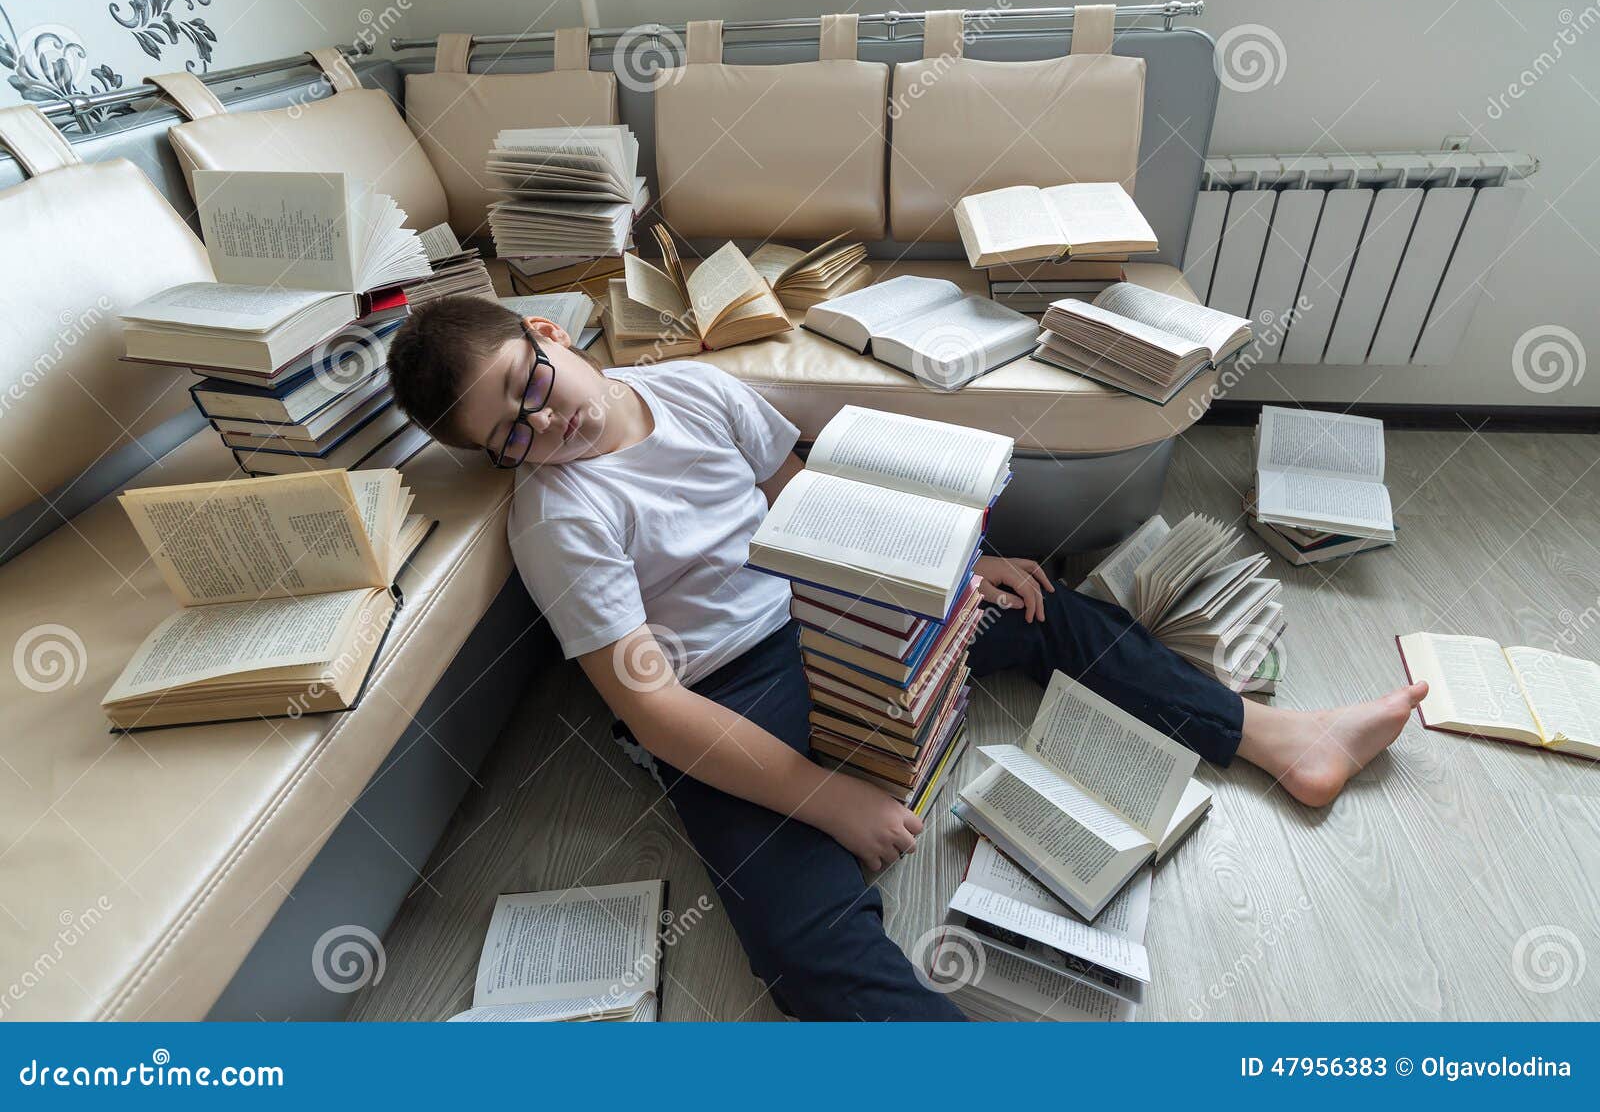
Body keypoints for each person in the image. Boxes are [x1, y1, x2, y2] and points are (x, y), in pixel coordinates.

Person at [386, 296, 1427, 1021]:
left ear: (549, 335)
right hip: (728, 701)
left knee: (1041, 605)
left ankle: (1280, 735)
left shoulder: (693, 391)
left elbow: (810, 496)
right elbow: (654, 713)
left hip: (835, 613)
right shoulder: (557, 516)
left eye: (531, 384)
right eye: (510, 434)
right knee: (803, 945)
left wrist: (949, 571)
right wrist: (824, 800)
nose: (545, 421)